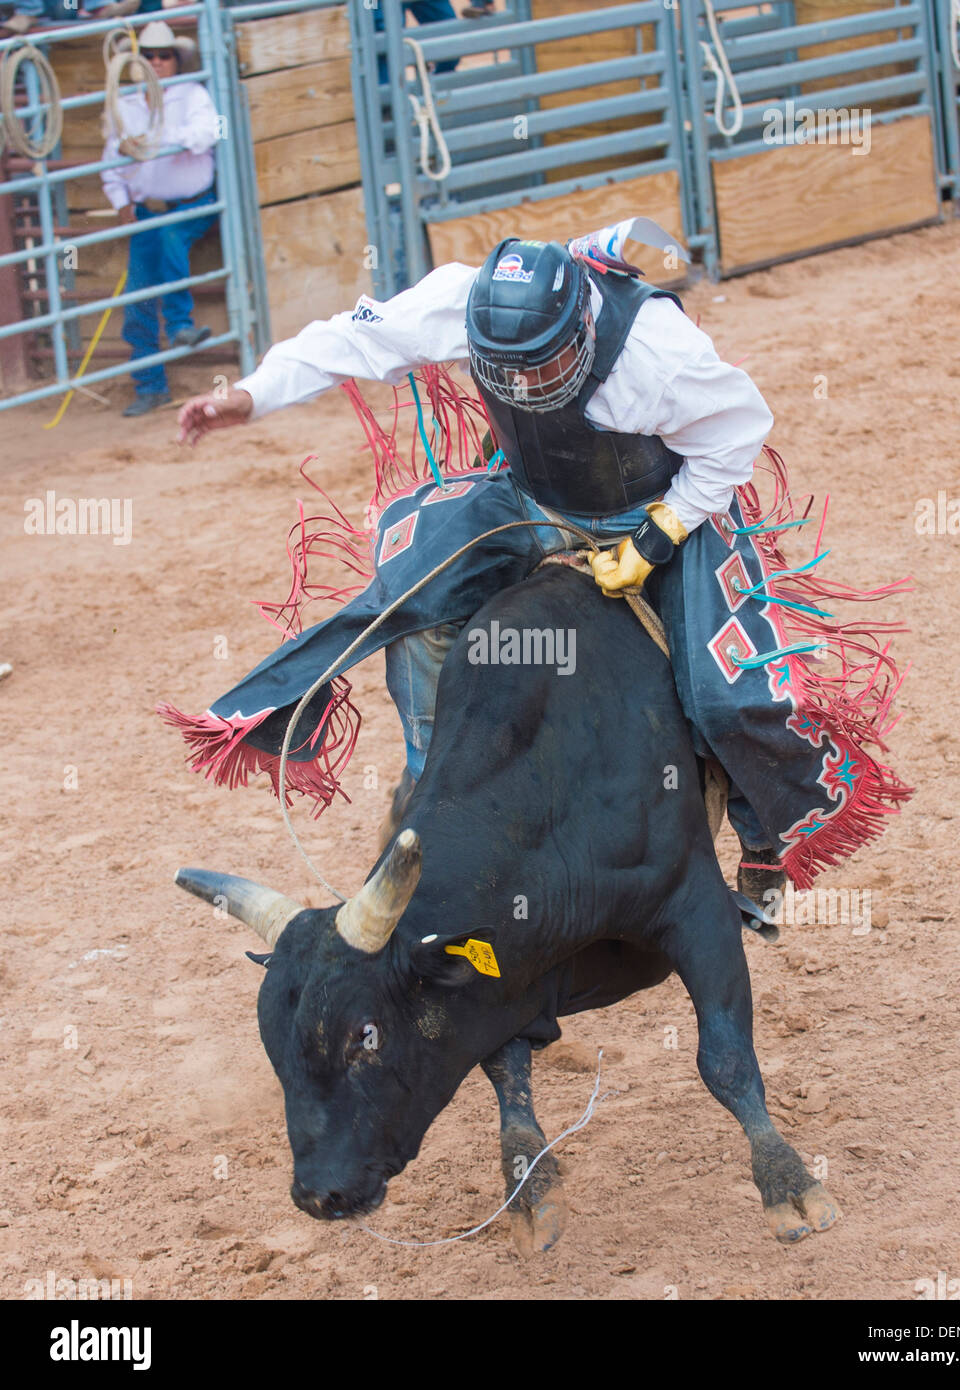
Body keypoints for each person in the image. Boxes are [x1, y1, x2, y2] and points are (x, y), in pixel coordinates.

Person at [173, 227, 910, 897]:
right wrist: (249, 395)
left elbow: (736, 433)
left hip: (661, 503)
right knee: (401, 593)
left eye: (541, 365)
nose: (523, 387)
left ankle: (766, 836)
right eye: (507, 372)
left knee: (728, 692)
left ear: (581, 327)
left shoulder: (655, 351)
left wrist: (655, 539)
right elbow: (348, 341)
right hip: (530, 495)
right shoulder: (459, 301)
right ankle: (430, 777)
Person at [101, 20, 218, 416]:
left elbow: (205, 134)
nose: (156, 62)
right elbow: (111, 164)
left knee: (169, 237)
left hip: (192, 202)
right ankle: (151, 386)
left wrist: (158, 143)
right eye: (148, 56)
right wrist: (122, 206)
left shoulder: (193, 93)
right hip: (148, 209)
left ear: (175, 59)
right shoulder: (126, 105)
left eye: (163, 56)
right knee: (137, 297)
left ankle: (181, 321)